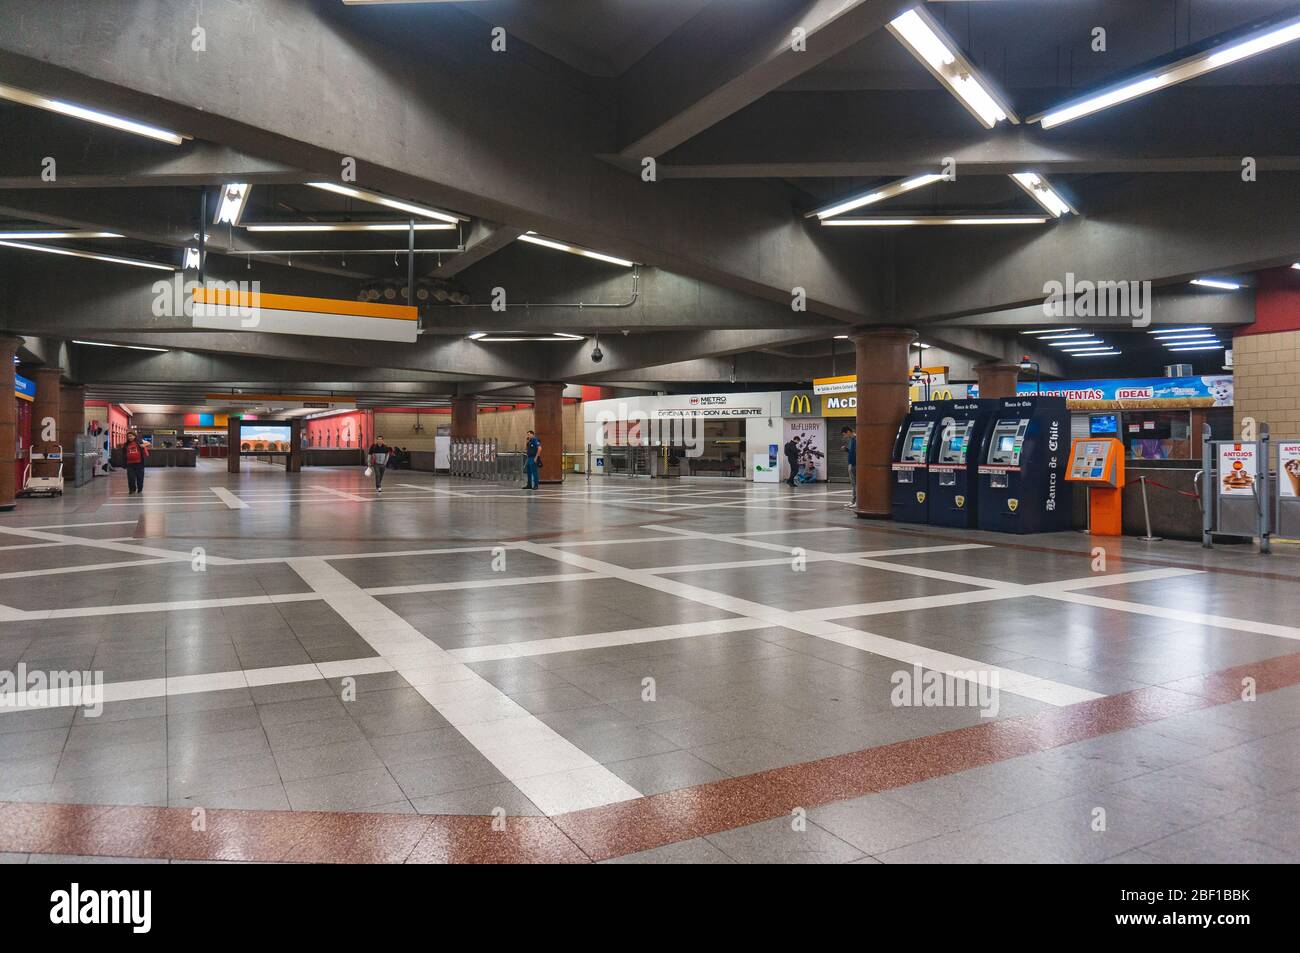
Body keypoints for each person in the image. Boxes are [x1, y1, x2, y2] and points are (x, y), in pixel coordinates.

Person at [841, 425, 857, 508]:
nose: (844, 436)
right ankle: (853, 500)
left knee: (856, 483)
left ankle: (857, 501)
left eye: (844, 434)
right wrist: (847, 449)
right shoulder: (851, 440)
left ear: (848, 432)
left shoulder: (856, 439)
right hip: (851, 463)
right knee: (853, 484)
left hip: (855, 464)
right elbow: (852, 451)